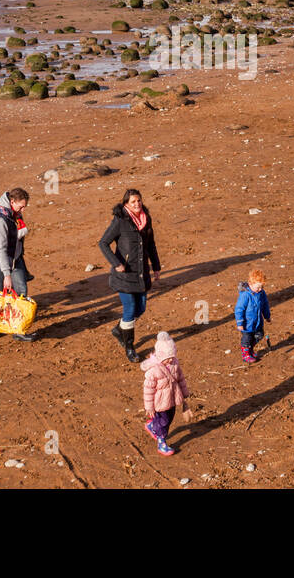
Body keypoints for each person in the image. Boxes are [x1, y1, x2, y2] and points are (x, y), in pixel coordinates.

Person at [99, 188, 161, 363]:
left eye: (139, 200)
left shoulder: (146, 220)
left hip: (141, 274)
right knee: (129, 309)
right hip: (124, 275)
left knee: (140, 308)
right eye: (133, 202)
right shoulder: (120, 221)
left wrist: (156, 267)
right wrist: (116, 263)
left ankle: (119, 330)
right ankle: (130, 347)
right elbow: (103, 243)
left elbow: (151, 245)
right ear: (126, 203)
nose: (137, 204)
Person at [0, 188, 35, 341]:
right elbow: (1, 250)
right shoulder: (1, 220)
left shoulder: (13, 214)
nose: (23, 209)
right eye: (21, 206)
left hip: (15, 258)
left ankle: (19, 329)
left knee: (22, 290)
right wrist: (7, 274)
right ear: (12, 202)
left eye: (25, 206)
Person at [141, 331, 191, 456]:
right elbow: (148, 390)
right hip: (159, 402)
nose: (170, 360)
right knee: (163, 422)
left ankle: (152, 426)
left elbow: (181, 379)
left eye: (172, 356)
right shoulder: (154, 371)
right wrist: (149, 407)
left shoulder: (174, 364)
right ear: (159, 356)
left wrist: (184, 394)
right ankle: (161, 442)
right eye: (167, 358)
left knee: (169, 418)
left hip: (172, 398)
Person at [235, 268, 273, 363]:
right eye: (258, 287)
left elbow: (265, 305)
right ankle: (246, 354)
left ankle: (250, 349)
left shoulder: (261, 293)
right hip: (247, 323)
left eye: (262, 287)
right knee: (247, 338)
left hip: (258, 321)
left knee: (259, 335)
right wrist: (240, 323)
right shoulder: (245, 295)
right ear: (250, 283)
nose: (260, 289)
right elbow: (239, 309)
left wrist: (267, 316)